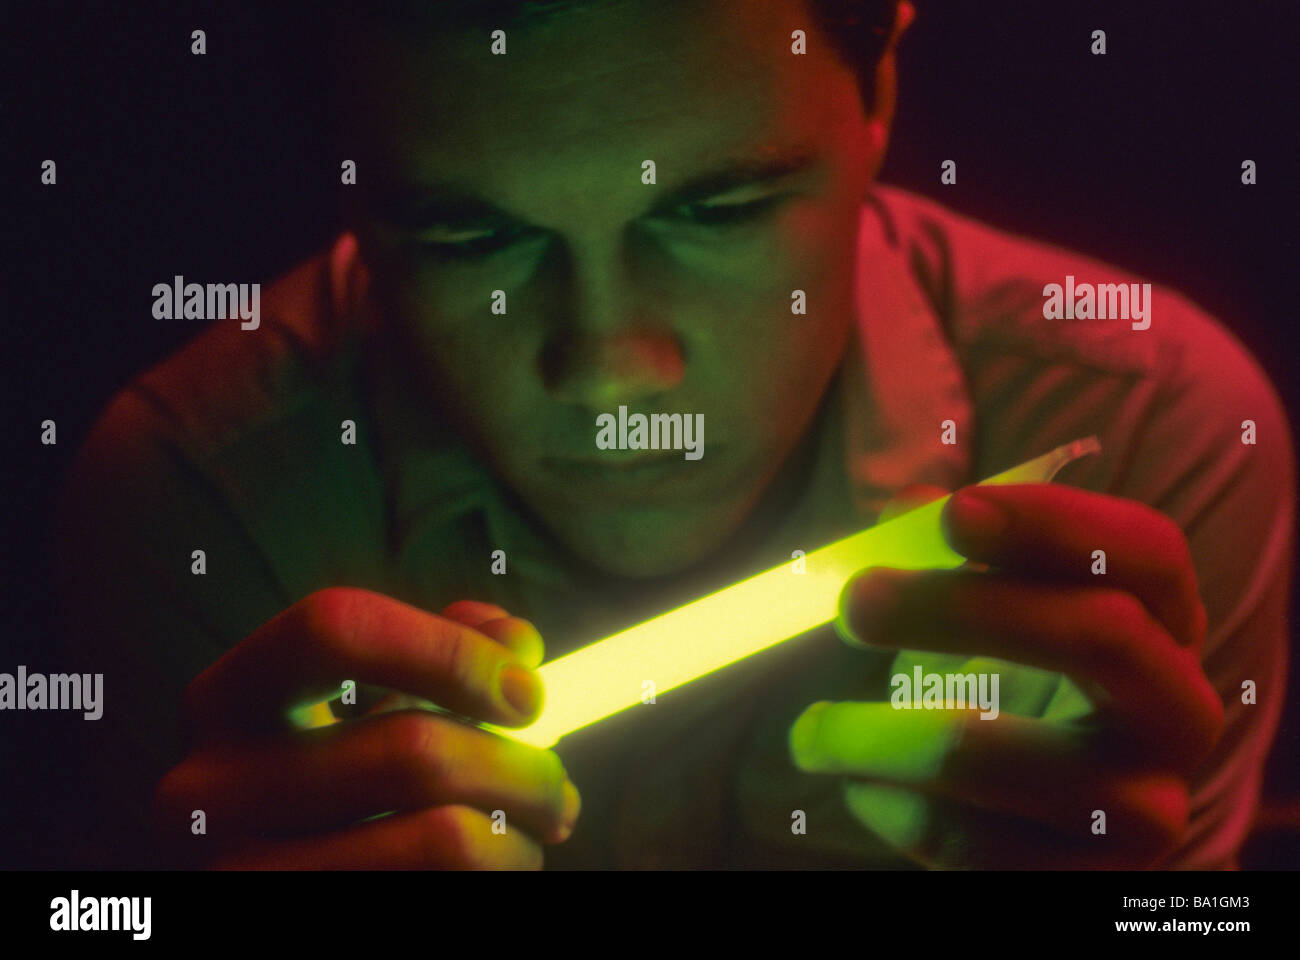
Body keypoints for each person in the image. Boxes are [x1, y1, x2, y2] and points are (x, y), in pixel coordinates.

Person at [48, 0, 1293, 869]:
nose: (607, 373)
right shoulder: (196, 499)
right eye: (467, 238)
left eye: (720, 206)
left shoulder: (1147, 435)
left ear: (880, 95)